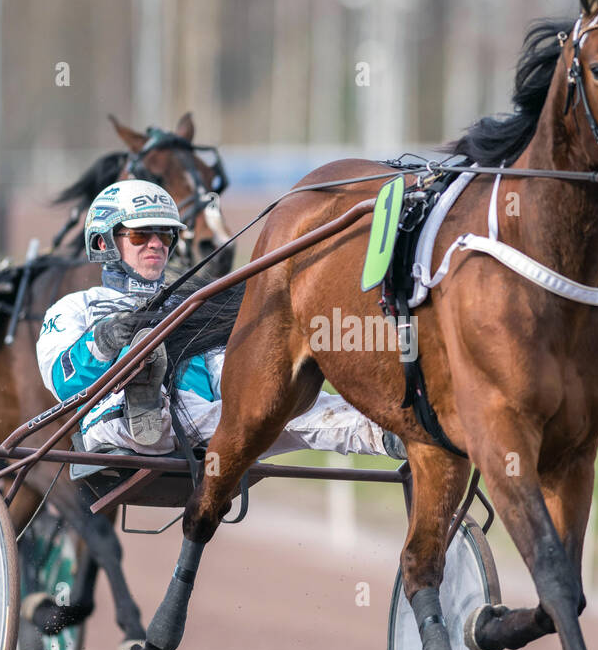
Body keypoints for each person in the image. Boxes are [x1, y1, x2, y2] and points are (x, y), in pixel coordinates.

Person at [36, 180, 402, 469]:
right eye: (139, 235)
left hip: (208, 420)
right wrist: (101, 342)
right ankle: (143, 391)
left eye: (164, 236)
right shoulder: (75, 307)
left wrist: (269, 379)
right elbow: (61, 382)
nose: (156, 245)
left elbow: (224, 371)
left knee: (278, 404)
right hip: (112, 422)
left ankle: (389, 430)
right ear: (103, 242)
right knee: (169, 399)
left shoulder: (188, 304)